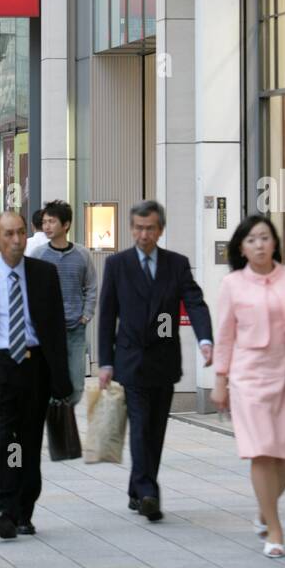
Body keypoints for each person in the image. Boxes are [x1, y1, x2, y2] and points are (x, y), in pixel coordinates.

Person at [0, 209, 71, 539]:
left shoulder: (44, 274)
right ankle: (2, 509)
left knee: (29, 443)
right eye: (9, 234)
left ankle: (24, 510)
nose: (17, 240)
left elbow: (55, 329)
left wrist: (63, 378)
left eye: (21, 232)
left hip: (34, 367)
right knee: (6, 439)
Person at [98, 199, 213, 522]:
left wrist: (205, 340)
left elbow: (195, 303)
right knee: (140, 425)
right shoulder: (118, 265)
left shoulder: (176, 264)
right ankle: (149, 491)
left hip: (163, 362)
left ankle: (138, 488)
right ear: (131, 228)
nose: (143, 234)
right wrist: (105, 362)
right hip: (131, 361)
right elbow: (108, 316)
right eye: (138, 228)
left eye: (149, 228)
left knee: (155, 430)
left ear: (160, 230)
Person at [211, 215, 285, 558]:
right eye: (252, 240)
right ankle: (275, 529)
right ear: (242, 248)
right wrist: (220, 381)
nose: (259, 245)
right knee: (261, 451)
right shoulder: (233, 284)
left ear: (275, 243)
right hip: (248, 376)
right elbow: (225, 336)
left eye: (265, 238)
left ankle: (263, 508)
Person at [38, 200, 98, 406]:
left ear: (66, 225)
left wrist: (86, 315)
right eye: (44, 222)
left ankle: (63, 413)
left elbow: (91, 286)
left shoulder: (82, 254)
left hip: (75, 327)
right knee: (49, 381)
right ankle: (56, 419)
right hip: (47, 330)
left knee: (76, 384)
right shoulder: (39, 255)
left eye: (52, 221)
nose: (46, 226)